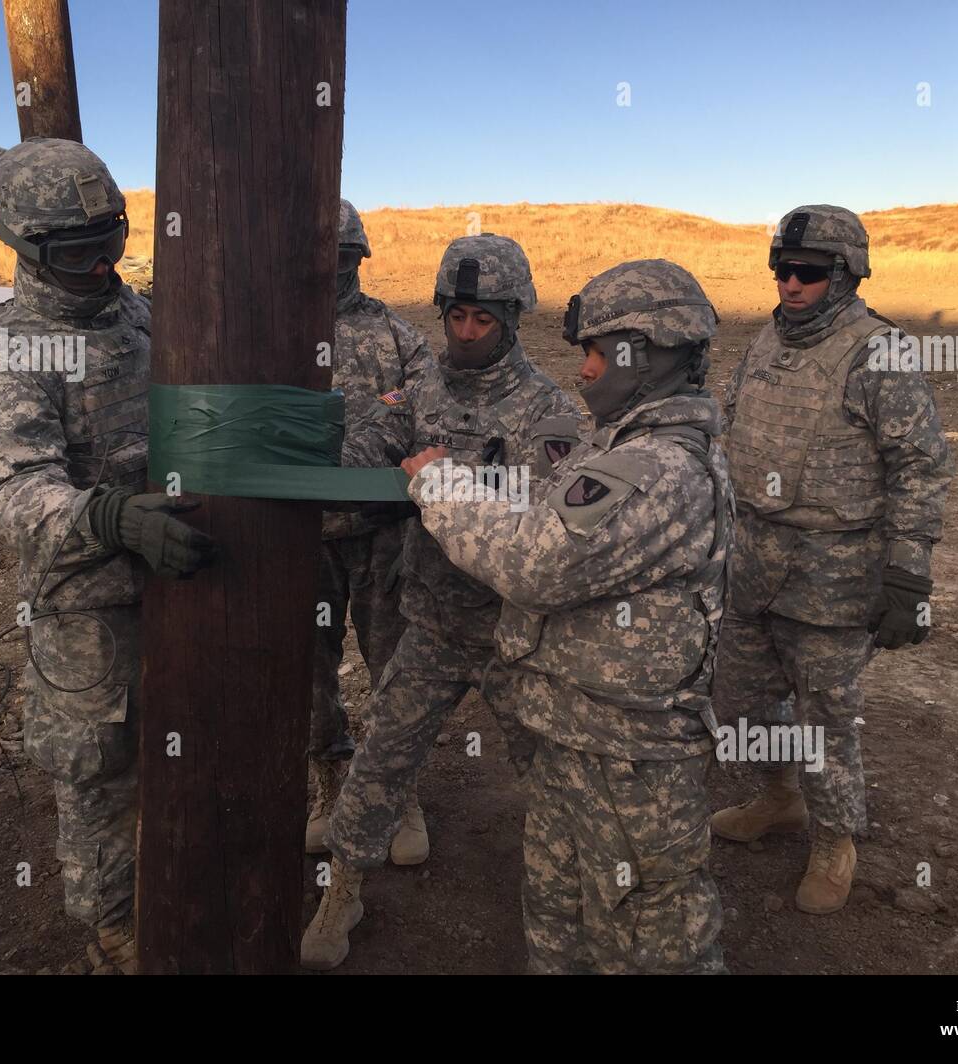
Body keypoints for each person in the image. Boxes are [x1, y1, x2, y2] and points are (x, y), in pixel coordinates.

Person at [403, 258, 732, 973]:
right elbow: (540, 513)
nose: (582, 371)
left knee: (650, 942)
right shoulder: (617, 447)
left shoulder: (653, 469)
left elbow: (533, 564)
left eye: (594, 352)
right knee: (557, 916)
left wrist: (438, 482)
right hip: (573, 735)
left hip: (627, 757)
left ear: (643, 357)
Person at [0, 138, 215, 973]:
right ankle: (116, 935)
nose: (102, 266)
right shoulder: (13, 347)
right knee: (101, 781)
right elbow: (7, 490)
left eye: (111, 242)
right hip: (85, 611)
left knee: (181, 752)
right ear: (28, 249)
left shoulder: (135, 314)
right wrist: (108, 516)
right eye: (78, 254)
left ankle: (180, 900)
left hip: (174, 585)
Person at [301, 233, 584, 970]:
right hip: (428, 624)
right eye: (455, 315)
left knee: (555, 782)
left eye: (480, 320)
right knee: (379, 767)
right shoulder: (420, 390)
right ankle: (345, 891)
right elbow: (366, 444)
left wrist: (452, 486)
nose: (464, 333)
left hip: (511, 634)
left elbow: (557, 525)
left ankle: (577, 901)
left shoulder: (550, 412)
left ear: (511, 317)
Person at [712, 205, 954, 914]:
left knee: (825, 715)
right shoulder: (766, 340)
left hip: (834, 575)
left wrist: (909, 575)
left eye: (808, 273)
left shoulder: (881, 352)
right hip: (753, 562)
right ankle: (779, 796)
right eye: (782, 270)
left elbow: (919, 466)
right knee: (745, 701)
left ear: (845, 276)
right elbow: (733, 432)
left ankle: (836, 839)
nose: (791, 284)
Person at [305, 200, 432, 857]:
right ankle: (331, 782)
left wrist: (373, 423)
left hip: (381, 533)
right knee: (309, 675)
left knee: (394, 670)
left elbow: (420, 402)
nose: (335, 269)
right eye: (325, 256)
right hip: (302, 539)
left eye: (346, 257)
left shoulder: (394, 335)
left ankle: (397, 795)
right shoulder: (271, 329)